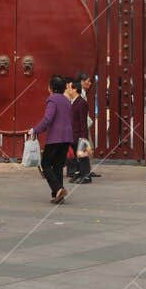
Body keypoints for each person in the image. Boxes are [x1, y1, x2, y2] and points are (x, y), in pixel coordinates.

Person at [30, 75, 77, 204]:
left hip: (55, 137)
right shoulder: (66, 100)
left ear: (51, 88)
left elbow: (48, 119)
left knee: (45, 164)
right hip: (66, 137)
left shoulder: (52, 100)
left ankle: (58, 188)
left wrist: (35, 130)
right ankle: (57, 194)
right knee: (58, 166)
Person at [66, 74, 96, 184]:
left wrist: (83, 138)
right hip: (73, 134)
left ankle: (86, 176)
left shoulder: (81, 103)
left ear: (75, 90)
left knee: (83, 156)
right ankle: (80, 173)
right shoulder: (73, 102)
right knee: (77, 156)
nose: (68, 90)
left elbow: (83, 121)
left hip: (79, 134)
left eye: (70, 88)